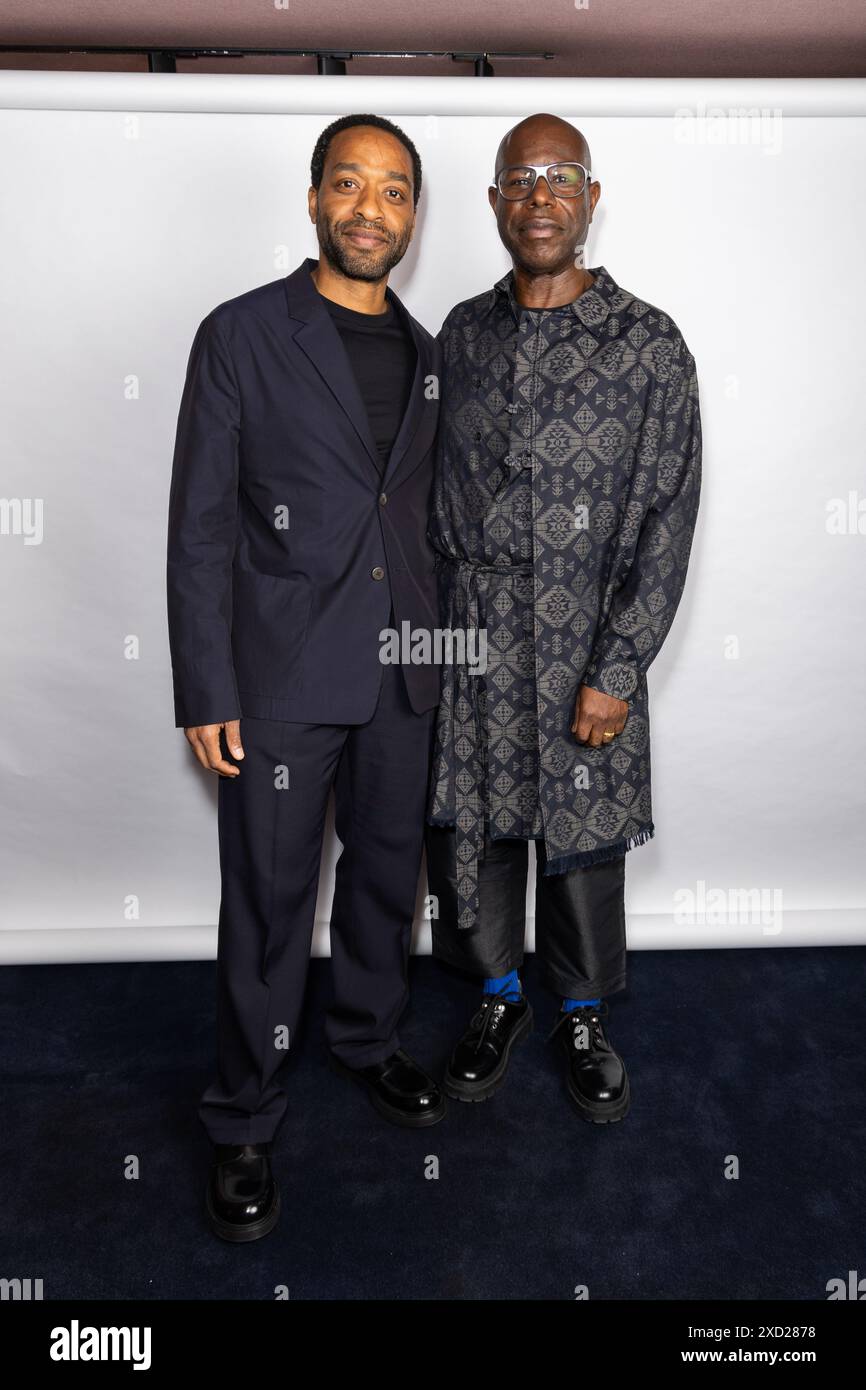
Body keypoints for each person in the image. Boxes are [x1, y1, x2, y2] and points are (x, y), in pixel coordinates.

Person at [166, 114, 444, 1243]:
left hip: (403, 670)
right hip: (278, 674)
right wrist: (205, 684)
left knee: (384, 881)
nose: (369, 208)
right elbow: (197, 526)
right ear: (316, 200)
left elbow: (415, 519)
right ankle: (242, 1117)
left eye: (392, 191)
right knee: (274, 905)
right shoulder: (240, 334)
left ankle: (368, 1042)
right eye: (349, 184)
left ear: (412, 217)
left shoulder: (430, 353)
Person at [425, 113, 702, 1125]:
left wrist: (618, 667)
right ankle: (496, 997)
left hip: (582, 639)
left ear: (589, 199)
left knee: (579, 837)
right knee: (477, 829)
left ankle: (579, 1013)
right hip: (473, 639)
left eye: (559, 177)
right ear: (493, 201)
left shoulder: (647, 344)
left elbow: (666, 515)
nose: (538, 197)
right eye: (518, 179)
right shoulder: (459, 331)